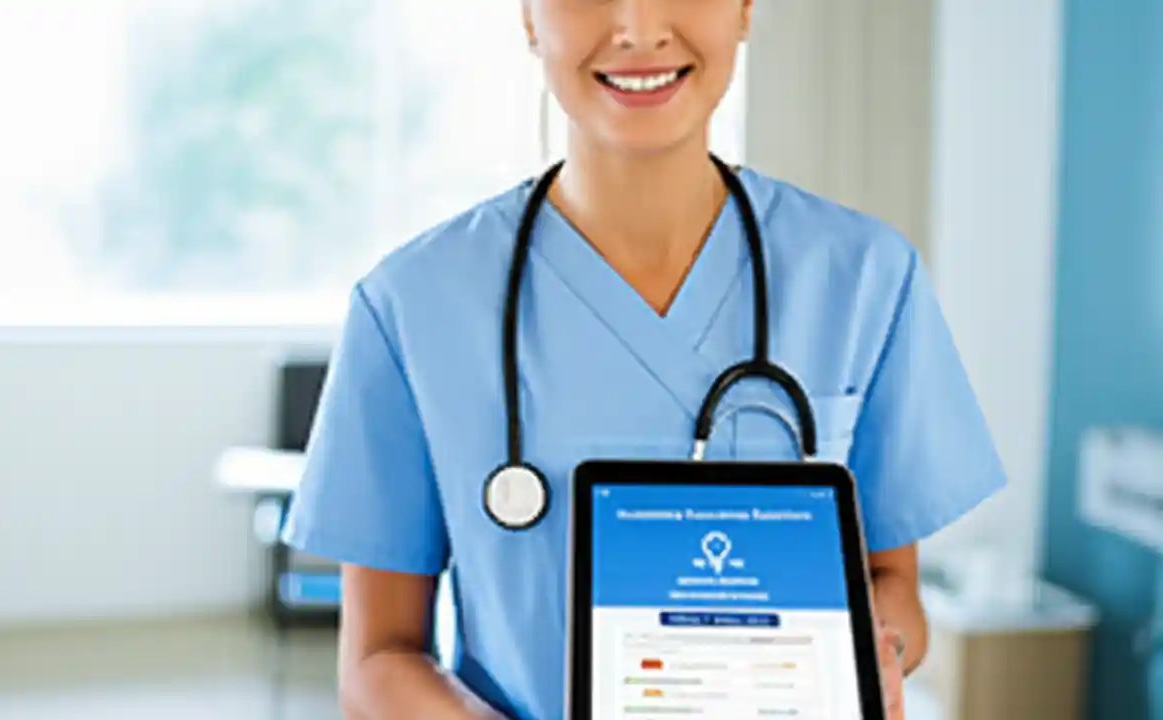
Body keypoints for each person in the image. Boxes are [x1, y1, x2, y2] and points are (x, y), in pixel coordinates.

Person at [282, 0, 1005, 718]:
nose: (640, 28)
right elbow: (379, 657)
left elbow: (893, 587)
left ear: (747, 8)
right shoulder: (414, 303)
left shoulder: (863, 279)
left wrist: (861, 661)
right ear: (529, 17)